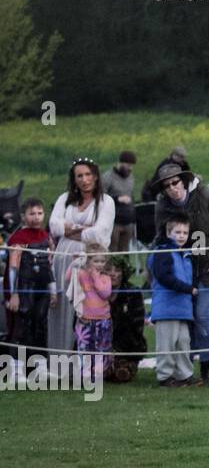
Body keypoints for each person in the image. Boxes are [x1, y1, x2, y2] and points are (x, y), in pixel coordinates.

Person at [152, 161, 209, 384]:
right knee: (184, 320)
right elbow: (160, 238)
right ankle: (183, 371)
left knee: (201, 315)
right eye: (167, 185)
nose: (172, 188)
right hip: (182, 269)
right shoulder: (163, 206)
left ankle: (206, 367)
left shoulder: (206, 195)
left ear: (184, 181)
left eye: (175, 182)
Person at [48, 158, 116, 354]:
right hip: (64, 258)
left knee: (85, 307)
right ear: (74, 179)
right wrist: (83, 229)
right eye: (80, 176)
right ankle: (60, 357)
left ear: (95, 176)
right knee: (62, 308)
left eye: (88, 174)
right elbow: (54, 226)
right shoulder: (64, 199)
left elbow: (100, 233)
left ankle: (85, 359)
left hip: (90, 260)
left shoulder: (105, 201)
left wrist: (70, 229)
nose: (84, 179)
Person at [149, 213, 197, 387]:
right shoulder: (163, 252)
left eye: (185, 232)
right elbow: (164, 277)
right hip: (166, 308)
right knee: (167, 344)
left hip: (183, 308)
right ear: (169, 233)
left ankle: (184, 374)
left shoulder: (185, 253)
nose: (182, 236)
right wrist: (188, 289)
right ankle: (165, 376)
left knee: (184, 342)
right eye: (177, 232)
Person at [5, 198, 56, 361]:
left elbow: (49, 265)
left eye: (40, 213)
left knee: (40, 325)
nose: (36, 217)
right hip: (24, 287)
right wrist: (13, 294)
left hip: (42, 288)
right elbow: (13, 268)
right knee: (23, 325)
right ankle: (16, 365)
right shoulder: (19, 238)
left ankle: (39, 364)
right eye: (32, 213)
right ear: (23, 216)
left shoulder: (46, 236)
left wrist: (53, 291)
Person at [70, 243, 113, 381]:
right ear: (88, 261)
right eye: (96, 261)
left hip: (103, 320)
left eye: (102, 261)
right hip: (85, 319)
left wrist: (95, 277)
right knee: (84, 348)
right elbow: (67, 277)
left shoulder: (105, 278)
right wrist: (75, 262)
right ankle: (85, 374)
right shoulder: (82, 275)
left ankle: (98, 374)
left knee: (100, 348)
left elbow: (105, 294)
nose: (99, 264)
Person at [105, 255, 146, 383]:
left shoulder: (133, 293)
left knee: (121, 373)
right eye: (109, 270)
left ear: (123, 272)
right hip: (101, 345)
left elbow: (136, 327)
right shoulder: (95, 292)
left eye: (117, 270)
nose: (113, 274)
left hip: (127, 346)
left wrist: (116, 349)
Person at [99, 151, 138, 252]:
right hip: (114, 222)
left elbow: (131, 195)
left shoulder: (130, 178)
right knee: (113, 250)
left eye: (132, 166)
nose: (130, 168)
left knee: (125, 251)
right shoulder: (108, 178)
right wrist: (117, 199)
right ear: (120, 163)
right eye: (128, 165)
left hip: (128, 221)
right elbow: (100, 197)